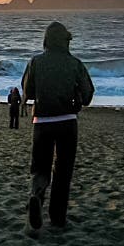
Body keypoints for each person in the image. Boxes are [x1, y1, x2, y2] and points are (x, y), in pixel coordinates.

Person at [22, 21, 94, 233]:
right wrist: (76, 98)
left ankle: (36, 196)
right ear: (66, 41)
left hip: (42, 121)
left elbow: (28, 90)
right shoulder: (75, 63)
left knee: (40, 168)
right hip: (67, 121)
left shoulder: (35, 62)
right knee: (63, 170)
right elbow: (88, 94)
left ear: (46, 40)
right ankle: (58, 218)